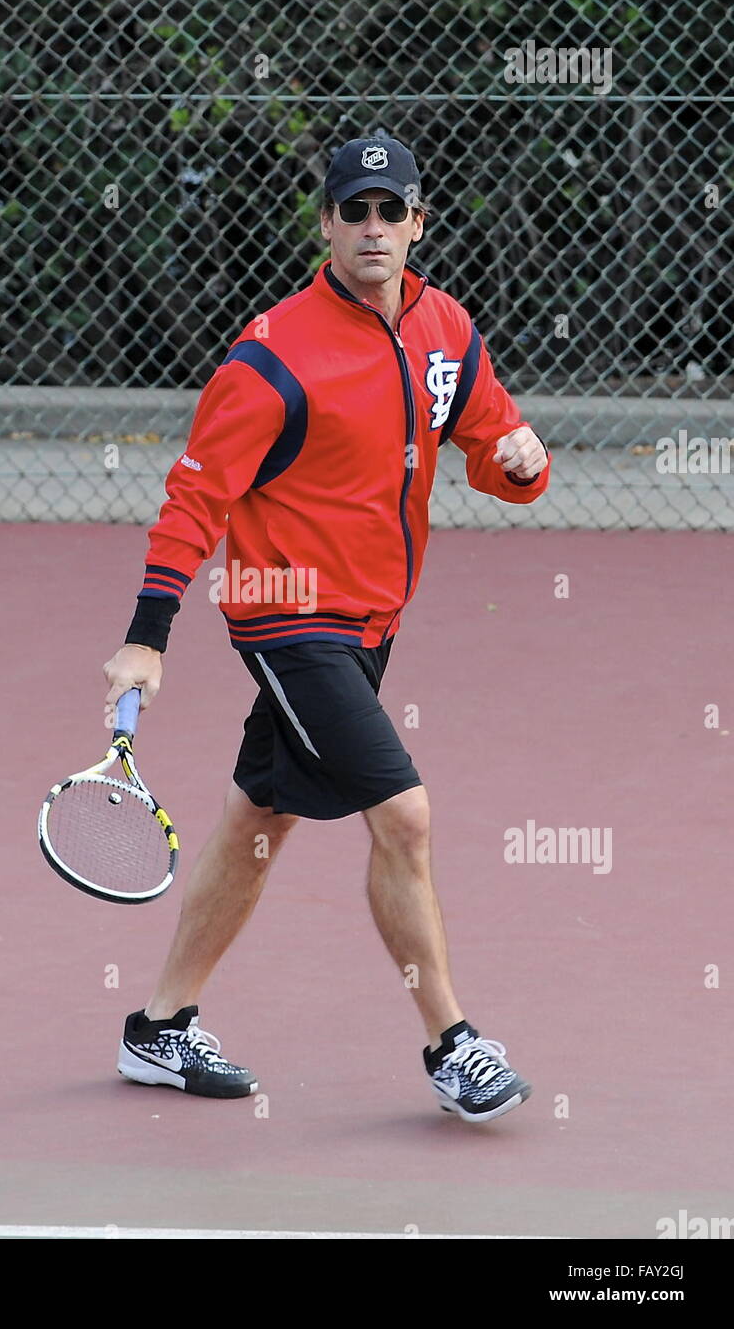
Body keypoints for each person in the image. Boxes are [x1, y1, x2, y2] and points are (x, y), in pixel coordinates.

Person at [103, 135, 550, 1122]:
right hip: (285, 611)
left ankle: (158, 1028)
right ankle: (452, 1043)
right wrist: (148, 634)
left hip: (368, 620)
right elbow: (194, 500)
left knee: (261, 816)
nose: (373, 230)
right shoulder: (270, 359)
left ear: (418, 223)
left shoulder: (444, 330)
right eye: (354, 212)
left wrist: (519, 464)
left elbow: (485, 443)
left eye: (391, 212)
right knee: (404, 815)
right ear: (326, 225)